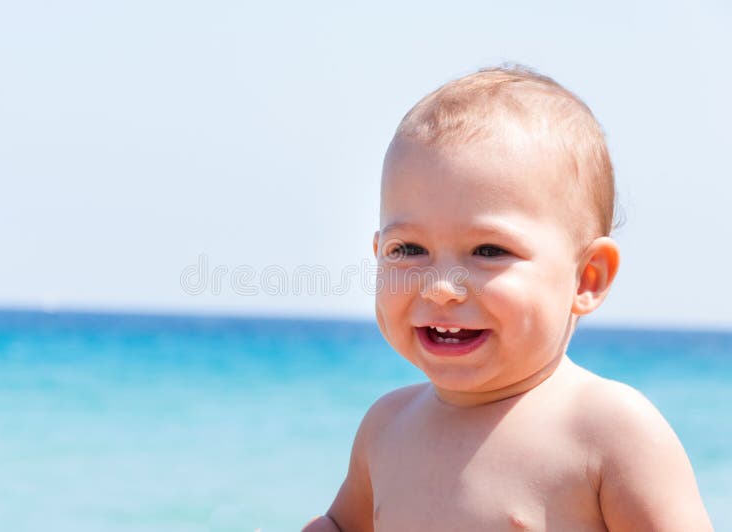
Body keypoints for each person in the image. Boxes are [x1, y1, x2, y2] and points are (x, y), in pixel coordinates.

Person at [302, 65, 713, 531]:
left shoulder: (609, 432)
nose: (440, 286)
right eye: (409, 250)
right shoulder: (386, 427)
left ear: (586, 278)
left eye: (489, 251)